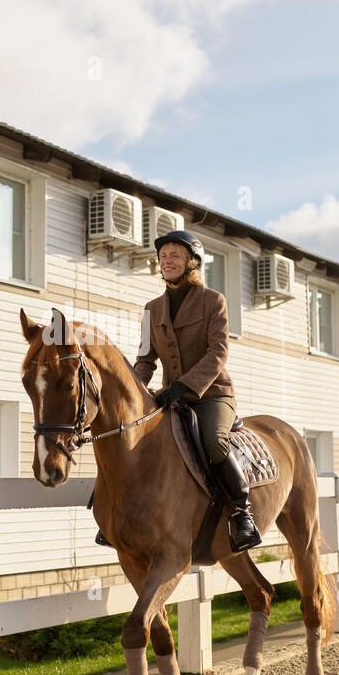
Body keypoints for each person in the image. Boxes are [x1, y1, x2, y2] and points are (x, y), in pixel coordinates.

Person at [94, 229, 262, 552]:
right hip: (170, 397)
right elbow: (144, 360)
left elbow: (219, 352)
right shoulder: (151, 308)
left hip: (212, 394)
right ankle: (110, 516)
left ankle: (242, 513)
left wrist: (185, 386)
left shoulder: (214, 301)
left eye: (174, 256)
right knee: (130, 437)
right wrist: (134, 393)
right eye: (163, 256)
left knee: (213, 441)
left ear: (192, 262)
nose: (167, 261)